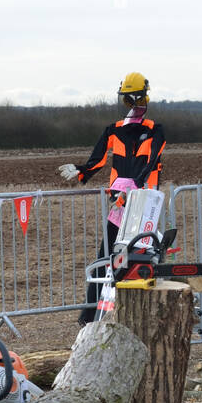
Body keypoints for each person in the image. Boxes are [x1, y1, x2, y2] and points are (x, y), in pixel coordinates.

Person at [59, 72, 167, 325]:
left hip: (144, 205)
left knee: (144, 255)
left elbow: (151, 160)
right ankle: (89, 315)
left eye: (134, 100)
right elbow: (97, 160)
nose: (133, 105)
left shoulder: (155, 130)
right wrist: (81, 170)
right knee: (107, 256)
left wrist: (135, 187)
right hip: (120, 205)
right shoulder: (114, 130)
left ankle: (143, 310)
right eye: (129, 101)